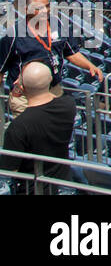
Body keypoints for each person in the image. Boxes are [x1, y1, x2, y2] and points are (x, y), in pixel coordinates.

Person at [0, 0, 104, 113]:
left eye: (47, 6)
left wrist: (90, 65)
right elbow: (1, 68)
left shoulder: (58, 24)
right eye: (38, 8)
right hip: (25, 97)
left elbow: (71, 53)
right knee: (31, 130)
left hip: (53, 91)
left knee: (53, 129)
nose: (45, 11)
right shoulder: (13, 35)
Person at [0, 62, 78, 194]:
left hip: (33, 189)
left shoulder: (19, 126)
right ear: (50, 80)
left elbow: (8, 169)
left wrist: (18, 92)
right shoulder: (69, 105)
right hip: (62, 185)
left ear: (21, 86)